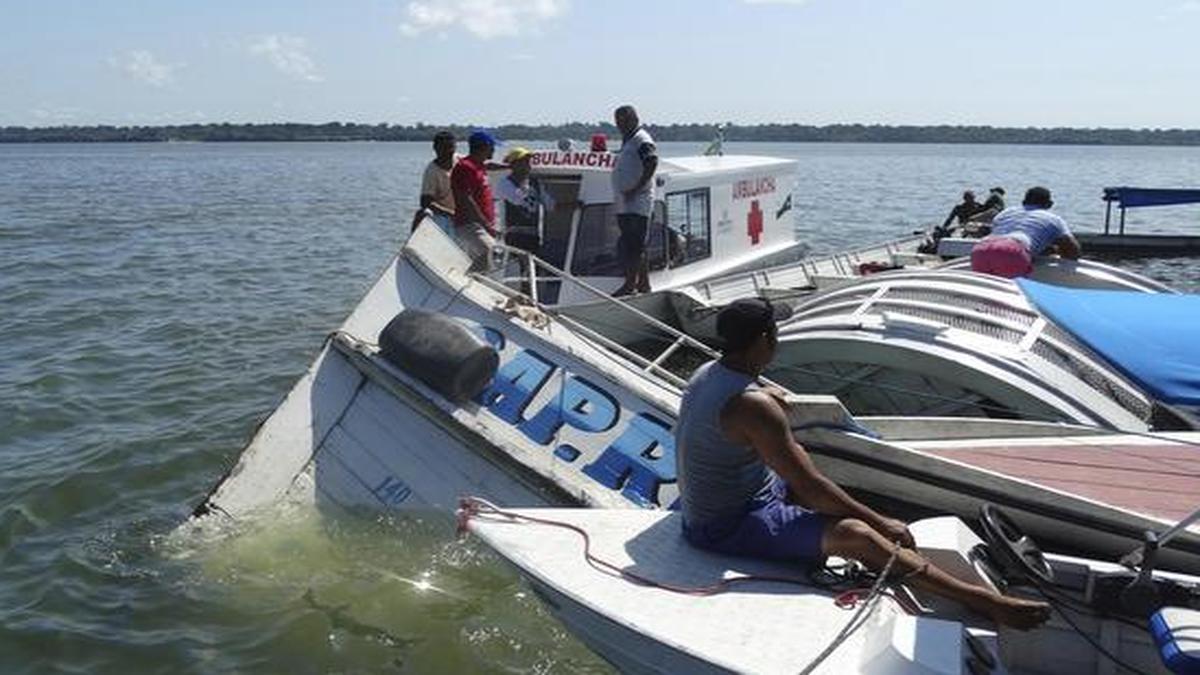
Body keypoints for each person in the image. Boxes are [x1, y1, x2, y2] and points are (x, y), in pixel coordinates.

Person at [674, 297, 1052, 630]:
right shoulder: (753, 406)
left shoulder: (710, 374)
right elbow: (811, 489)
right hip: (724, 526)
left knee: (802, 457)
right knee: (857, 534)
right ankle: (983, 601)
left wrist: (765, 392)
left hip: (739, 496)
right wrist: (880, 522)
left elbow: (744, 412)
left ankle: (856, 544)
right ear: (764, 340)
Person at [971, 186, 1081, 279]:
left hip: (981, 249)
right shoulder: (1054, 219)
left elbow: (999, 242)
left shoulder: (1006, 213)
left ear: (1023, 202)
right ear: (1049, 204)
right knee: (1015, 294)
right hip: (1012, 251)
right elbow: (1072, 249)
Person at [611, 104, 658, 296]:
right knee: (633, 243)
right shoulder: (628, 140)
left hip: (637, 200)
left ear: (635, 119)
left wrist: (637, 187)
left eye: (624, 120)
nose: (621, 124)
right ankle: (643, 283)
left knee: (634, 244)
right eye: (618, 121)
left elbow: (652, 161)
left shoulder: (641, 139)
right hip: (626, 201)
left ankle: (630, 284)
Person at [450, 130, 500, 273]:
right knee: (492, 252)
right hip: (470, 224)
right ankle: (466, 281)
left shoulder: (479, 165)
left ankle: (476, 284)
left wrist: (509, 166)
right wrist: (485, 224)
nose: (494, 150)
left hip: (480, 225)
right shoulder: (465, 167)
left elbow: (490, 166)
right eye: (492, 147)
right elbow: (466, 199)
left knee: (482, 261)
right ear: (484, 147)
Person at [495, 146, 555, 257]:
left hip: (533, 235)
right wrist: (524, 184)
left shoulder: (535, 183)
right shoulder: (505, 183)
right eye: (522, 162)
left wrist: (572, 205)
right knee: (517, 266)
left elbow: (550, 205)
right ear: (513, 165)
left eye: (528, 162)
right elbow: (518, 200)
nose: (527, 165)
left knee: (533, 266)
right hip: (514, 235)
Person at [411, 130, 458, 234]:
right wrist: (451, 214)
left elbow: (482, 164)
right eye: (444, 148)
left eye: (451, 147)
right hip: (442, 214)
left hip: (463, 212)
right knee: (422, 214)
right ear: (436, 149)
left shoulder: (459, 160)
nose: (448, 151)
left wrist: (502, 167)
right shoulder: (431, 171)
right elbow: (425, 202)